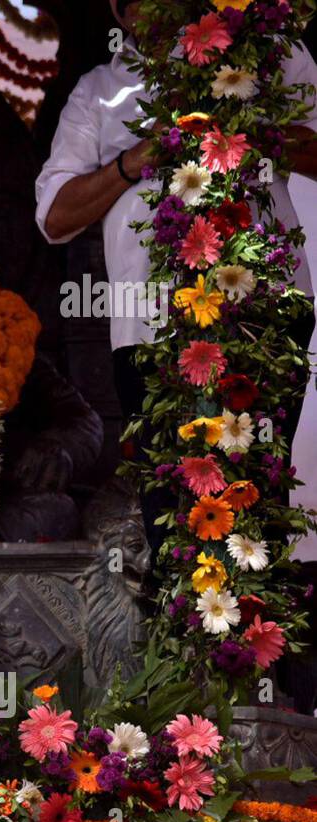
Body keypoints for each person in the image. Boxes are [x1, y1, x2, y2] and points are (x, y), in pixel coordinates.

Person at [35, 0, 317, 551]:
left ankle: (249, 632)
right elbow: (53, 218)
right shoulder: (99, 91)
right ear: (118, 11)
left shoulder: (274, 55)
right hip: (151, 327)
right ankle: (189, 632)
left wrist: (247, 123)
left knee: (258, 495)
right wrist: (130, 161)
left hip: (263, 311)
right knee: (173, 508)